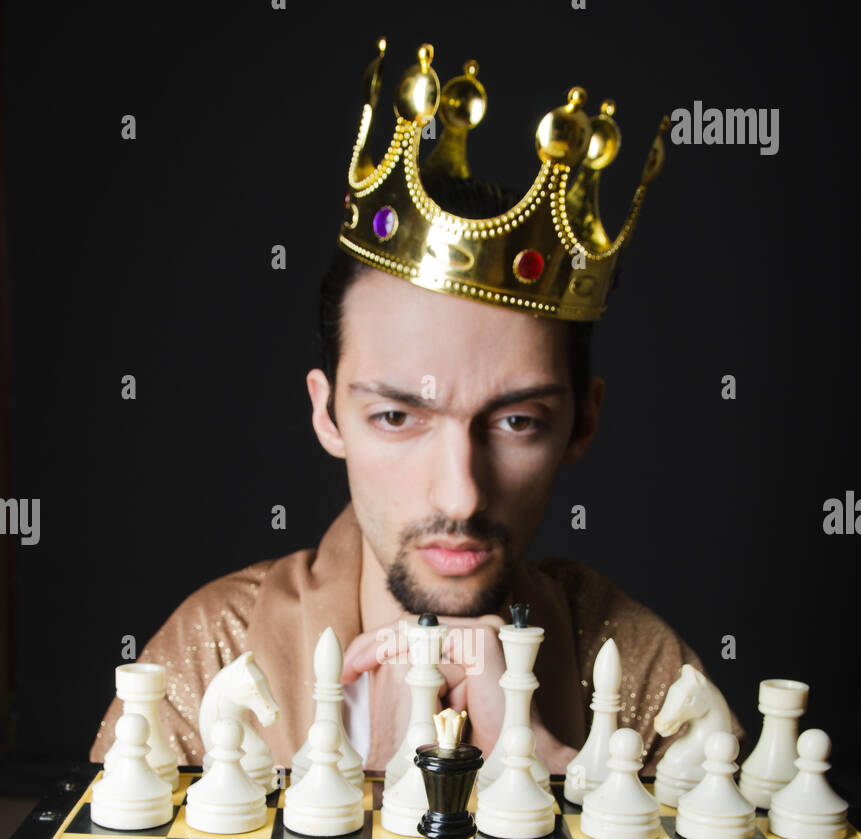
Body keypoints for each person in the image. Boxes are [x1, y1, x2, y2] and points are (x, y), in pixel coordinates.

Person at [91, 40, 744, 774]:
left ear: (581, 424)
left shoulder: (639, 668)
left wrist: (552, 773)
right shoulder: (211, 653)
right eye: (396, 417)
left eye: (515, 421)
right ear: (327, 414)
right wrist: (366, 795)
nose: (460, 494)